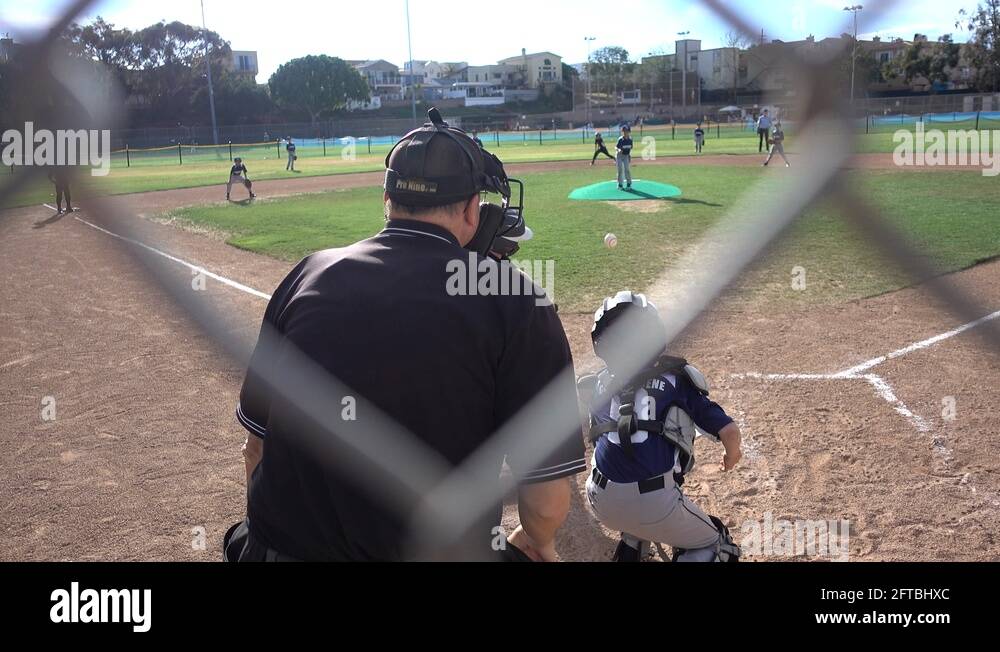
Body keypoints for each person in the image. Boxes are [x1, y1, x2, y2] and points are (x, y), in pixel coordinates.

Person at [227, 107, 586, 562]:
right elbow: (545, 500)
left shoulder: (309, 271)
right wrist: (543, 544)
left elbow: (254, 447)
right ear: (475, 210)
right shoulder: (514, 298)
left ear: (386, 198)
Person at [578, 291, 743, 562]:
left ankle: (631, 544)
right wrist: (732, 455)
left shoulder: (597, 384)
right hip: (654, 503)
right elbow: (730, 433)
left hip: (599, 499)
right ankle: (645, 533)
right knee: (719, 547)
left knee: (633, 515)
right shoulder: (676, 380)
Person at [615, 125, 633, 190]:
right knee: (620, 170)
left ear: (629, 132)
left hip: (626, 156)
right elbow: (616, 147)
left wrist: (629, 155)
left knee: (627, 170)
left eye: (626, 131)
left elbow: (629, 148)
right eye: (624, 131)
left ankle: (629, 184)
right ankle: (620, 184)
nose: (625, 133)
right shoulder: (620, 139)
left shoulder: (630, 140)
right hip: (619, 155)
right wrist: (618, 149)